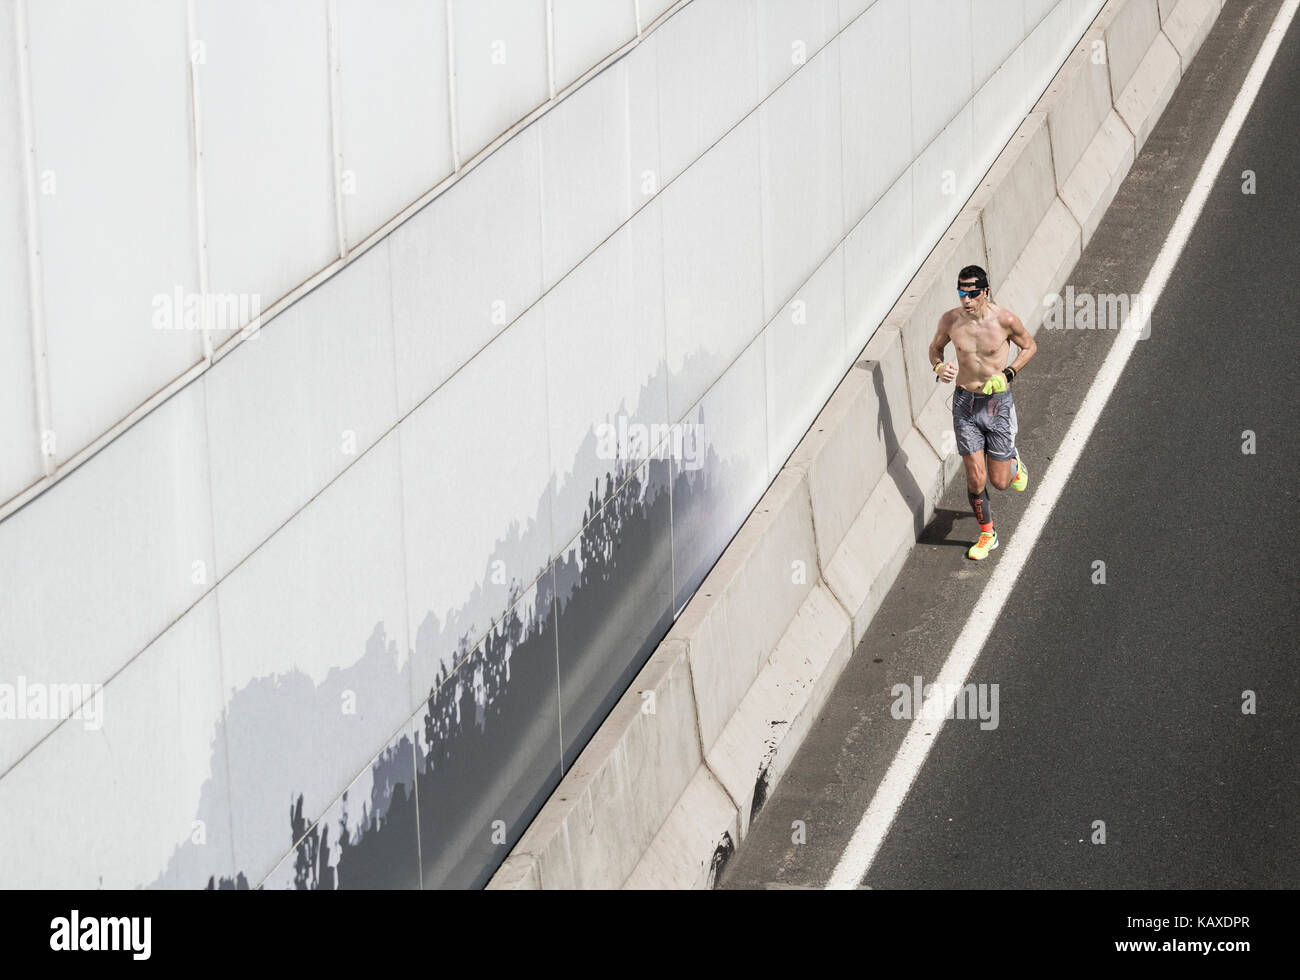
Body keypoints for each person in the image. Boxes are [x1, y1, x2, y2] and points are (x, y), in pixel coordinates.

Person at [929, 265, 1037, 560]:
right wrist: (939, 366)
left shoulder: (1004, 321)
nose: (966, 299)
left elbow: (1029, 346)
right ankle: (988, 534)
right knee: (976, 478)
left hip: (996, 403)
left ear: (985, 291)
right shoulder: (950, 320)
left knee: (1000, 482)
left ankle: (1013, 461)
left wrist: (1008, 373)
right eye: (961, 292)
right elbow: (935, 349)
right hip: (964, 404)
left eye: (972, 293)